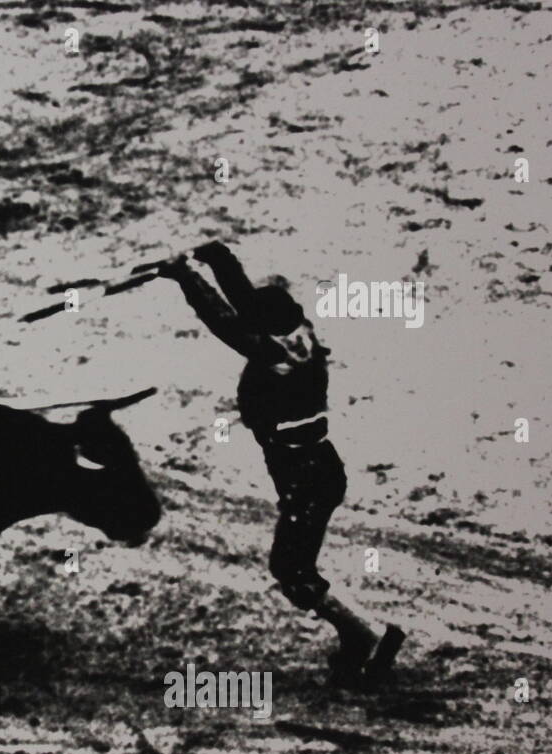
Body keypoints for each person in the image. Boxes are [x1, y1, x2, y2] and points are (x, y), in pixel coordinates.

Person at [148, 242, 405, 688]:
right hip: (318, 468)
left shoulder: (276, 356)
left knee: (292, 571)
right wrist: (216, 258)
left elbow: (226, 323)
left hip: (304, 477)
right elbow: (247, 309)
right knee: (293, 568)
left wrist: (188, 277)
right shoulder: (297, 332)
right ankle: (364, 637)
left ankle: (368, 637)